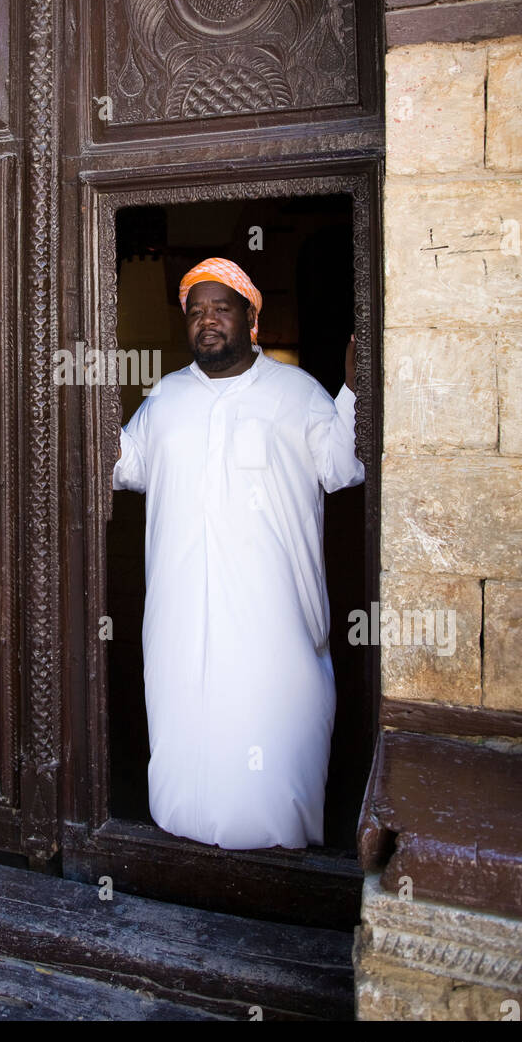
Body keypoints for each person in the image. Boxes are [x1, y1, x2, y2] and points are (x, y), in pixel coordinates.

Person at [112, 257, 364, 850]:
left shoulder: (295, 392)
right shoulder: (166, 398)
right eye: (195, 311)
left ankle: (280, 863)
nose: (206, 321)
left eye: (220, 308)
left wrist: (355, 386)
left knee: (273, 731)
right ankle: (183, 847)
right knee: (186, 731)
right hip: (180, 618)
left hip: (274, 623)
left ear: (250, 316)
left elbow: (341, 466)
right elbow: (124, 464)